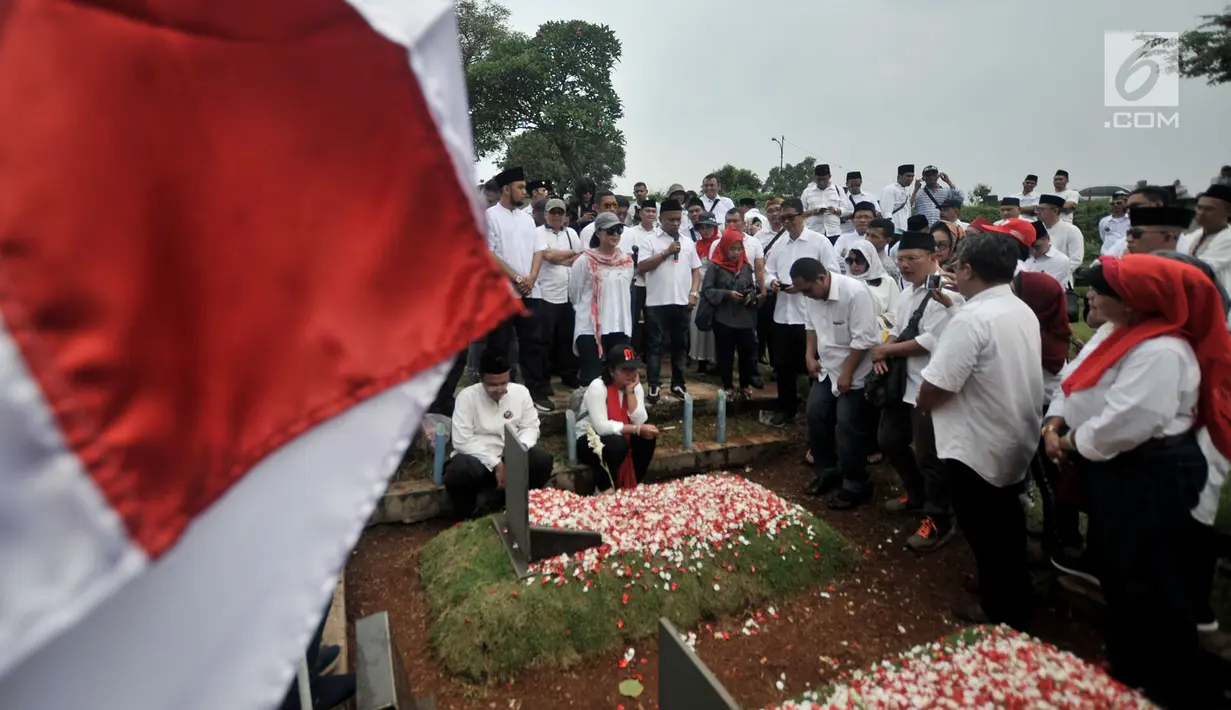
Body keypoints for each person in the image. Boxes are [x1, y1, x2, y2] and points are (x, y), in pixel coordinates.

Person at [1043, 255, 1231, 708]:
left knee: (1154, 580)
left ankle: (1168, 684)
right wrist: (1055, 423)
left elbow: (1129, 421)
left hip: (1150, 473)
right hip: (1119, 466)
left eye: (1103, 290)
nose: (1092, 295)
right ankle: (1129, 668)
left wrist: (1070, 443)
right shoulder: (1118, 332)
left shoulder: (1161, 350)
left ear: (1133, 301)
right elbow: (1075, 380)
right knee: (1121, 569)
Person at [917, 232, 1043, 630]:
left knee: (985, 527)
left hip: (976, 442)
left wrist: (922, 406)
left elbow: (938, 384)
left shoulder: (972, 319)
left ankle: (1000, 608)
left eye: (955, 266)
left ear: (967, 270)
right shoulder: (1018, 308)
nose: (953, 272)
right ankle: (1005, 589)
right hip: (1011, 434)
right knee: (1004, 523)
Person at [872, 230, 964, 551]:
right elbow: (897, 332)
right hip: (903, 384)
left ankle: (939, 519)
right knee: (889, 440)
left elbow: (931, 341)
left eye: (912, 258)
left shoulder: (948, 292)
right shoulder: (908, 292)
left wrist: (887, 352)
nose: (905, 265)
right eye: (900, 259)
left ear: (933, 258)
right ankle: (916, 493)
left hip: (930, 387)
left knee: (929, 456)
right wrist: (885, 351)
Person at [792, 257, 880, 509]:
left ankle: (856, 483)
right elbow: (811, 327)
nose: (806, 296)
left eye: (807, 289)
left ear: (821, 278)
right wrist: (809, 355)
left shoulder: (855, 293)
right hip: (828, 369)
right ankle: (828, 471)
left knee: (848, 425)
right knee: (816, 414)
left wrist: (848, 374)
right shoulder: (811, 295)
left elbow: (864, 339)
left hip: (856, 372)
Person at [444, 350, 553, 519]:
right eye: (493, 385)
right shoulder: (467, 397)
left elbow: (531, 427)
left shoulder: (521, 393)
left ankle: (515, 505)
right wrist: (496, 463)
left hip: (511, 458)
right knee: (458, 472)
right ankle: (467, 514)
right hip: (479, 461)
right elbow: (462, 441)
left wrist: (516, 453)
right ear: (481, 379)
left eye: (504, 383)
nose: (500, 389)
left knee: (541, 461)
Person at [765, 198, 842, 426]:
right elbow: (767, 272)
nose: (787, 222)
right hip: (783, 313)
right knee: (782, 365)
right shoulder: (779, 245)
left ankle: (816, 409)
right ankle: (786, 408)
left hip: (811, 314)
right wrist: (773, 283)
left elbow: (833, 273)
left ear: (802, 216)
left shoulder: (819, 242)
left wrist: (805, 286)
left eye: (791, 217)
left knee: (814, 364)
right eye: (783, 218)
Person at [483, 166, 554, 412]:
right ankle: (500, 393)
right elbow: (489, 253)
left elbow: (539, 250)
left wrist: (531, 277)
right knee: (500, 346)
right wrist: (516, 278)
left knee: (533, 344)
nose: (524, 191)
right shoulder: (490, 216)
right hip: (503, 294)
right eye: (521, 187)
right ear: (506, 189)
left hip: (529, 292)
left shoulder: (527, 219)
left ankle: (535, 393)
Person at [638, 198, 702, 402]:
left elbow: (696, 271)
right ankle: (654, 386)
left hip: (682, 302)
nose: (675, 223)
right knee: (655, 346)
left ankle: (678, 384)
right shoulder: (650, 241)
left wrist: (693, 294)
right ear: (661, 218)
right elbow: (643, 267)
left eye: (678, 219)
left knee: (679, 346)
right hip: (657, 303)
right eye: (671, 219)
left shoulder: (688, 242)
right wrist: (666, 253)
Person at [576, 346, 659, 491]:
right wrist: (636, 429)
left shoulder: (634, 386)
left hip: (620, 436)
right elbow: (601, 427)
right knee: (617, 443)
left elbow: (640, 420)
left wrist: (631, 393)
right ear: (611, 370)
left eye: (633, 369)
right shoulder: (598, 387)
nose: (630, 374)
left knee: (647, 438)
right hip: (590, 439)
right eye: (624, 370)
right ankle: (604, 487)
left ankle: (633, 484)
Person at [569, 212, 634, 384]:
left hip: (619, 325)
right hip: (590, 327)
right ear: (598, 233)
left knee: (618, 377)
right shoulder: (584, 260)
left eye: (619, 230)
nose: (615, 235)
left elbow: (625, 290)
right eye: (610, 230)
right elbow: (575, 293)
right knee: (592, 379)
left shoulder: (626, 260)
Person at [702, 228, 760, 398]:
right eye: (732, 249)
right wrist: (727, 295)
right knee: (725, 354)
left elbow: (751, 287)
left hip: (745, 318)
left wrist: (751, 295)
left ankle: (744, 385)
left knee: (747, 353)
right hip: (724, 317)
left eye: (739, 249)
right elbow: (707, 290)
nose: (736, 253)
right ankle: (727, 385)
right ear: (725, 248)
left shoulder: (746, 267)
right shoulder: (715, 266)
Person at [537, 198, 583, 388]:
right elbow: (547, 256)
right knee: (545, 340)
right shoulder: (538, 233)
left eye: (560, 213)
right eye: (553, 212)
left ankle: (568, 374)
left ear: (565, 216)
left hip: (569, 294)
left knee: (567, 337)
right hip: (546, 293)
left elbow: (579, 257)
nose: (557, 216)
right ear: (546, 214)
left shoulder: (571, 233)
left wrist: (560, 256)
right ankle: (543, 378)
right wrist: (569, 253)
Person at [1178, 183, 1231, 289]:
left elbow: (1205, 265)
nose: (1201, 213)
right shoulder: (1195, 235)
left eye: (1209, 209)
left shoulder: (1228, 237)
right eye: (1199, 207)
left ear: (1228, 212)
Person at [623, 200, 658, 355]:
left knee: (653, 320)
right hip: (636, 281)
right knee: (633, 318)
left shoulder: (660, 233)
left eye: (653, 211)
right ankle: (633, 351)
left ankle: (650, 353)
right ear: (640, 213)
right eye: (647, 211)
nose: (650, 214)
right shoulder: (631, 232)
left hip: (654, 282)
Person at [689, 212, 721, 375]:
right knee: (699, 323)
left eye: (709, 226)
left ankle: (716, 360)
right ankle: (700, 360)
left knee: (716, 324)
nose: (706, 230)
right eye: (702, 227)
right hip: (699, 285)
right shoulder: (695, 246)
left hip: (715, 287)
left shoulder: (720, 244)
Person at [844, 240, 901, 329]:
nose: (854, 265)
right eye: (850, 261)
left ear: (869, 260)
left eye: (859, 261)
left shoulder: (887, 282)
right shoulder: (843, 283)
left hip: (880, 333)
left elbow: (897, 312)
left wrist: (875, 322)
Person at [1035, 194, 1084, 273]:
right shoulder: (1034, 229)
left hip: (1061, 278)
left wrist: (1057, 272)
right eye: (1037, 209)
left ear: (1055, 211)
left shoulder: (1071, 230)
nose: (1038, 212)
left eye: (1042, 209)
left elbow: (1076, 260)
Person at [801, 163, 849, 240]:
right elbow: (801, 212)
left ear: (829, 177)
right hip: (813, 231)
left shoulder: (838, 190)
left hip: (833, 232)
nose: (822, 182)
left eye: (824, 179)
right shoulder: (807, 192)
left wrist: (835, 210)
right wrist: (813, 212)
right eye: (819, 180)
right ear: (815, 178)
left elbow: (846, 209)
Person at [1020, 222, 1073, 288]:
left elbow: (1047, 287)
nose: (1033, 250)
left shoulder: (1061, 260)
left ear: (1047, 238)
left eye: (1037, 247)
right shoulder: (1022, 257)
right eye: (1030, 247)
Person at [880, 164, 916, 232]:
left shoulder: (906, 191)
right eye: (908, 176)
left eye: (912, 176)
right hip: (894, 229)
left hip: (904, 229)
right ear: (899, 177)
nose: (911, 179)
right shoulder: (890, 190)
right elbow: (886, 213)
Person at [866, 217, 901, 283]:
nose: (868, 239)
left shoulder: (886, 267)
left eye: (874, 236)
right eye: (867, 235)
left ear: (887, 241)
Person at [1098, 190, 1130, 254]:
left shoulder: (1131, 220)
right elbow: (1103, 237)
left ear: (1126, 204)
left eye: (1119, 203)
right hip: (1107, 255)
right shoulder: (1104, 221)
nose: (1115, 205)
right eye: (1113, 204)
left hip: (1124, 255)